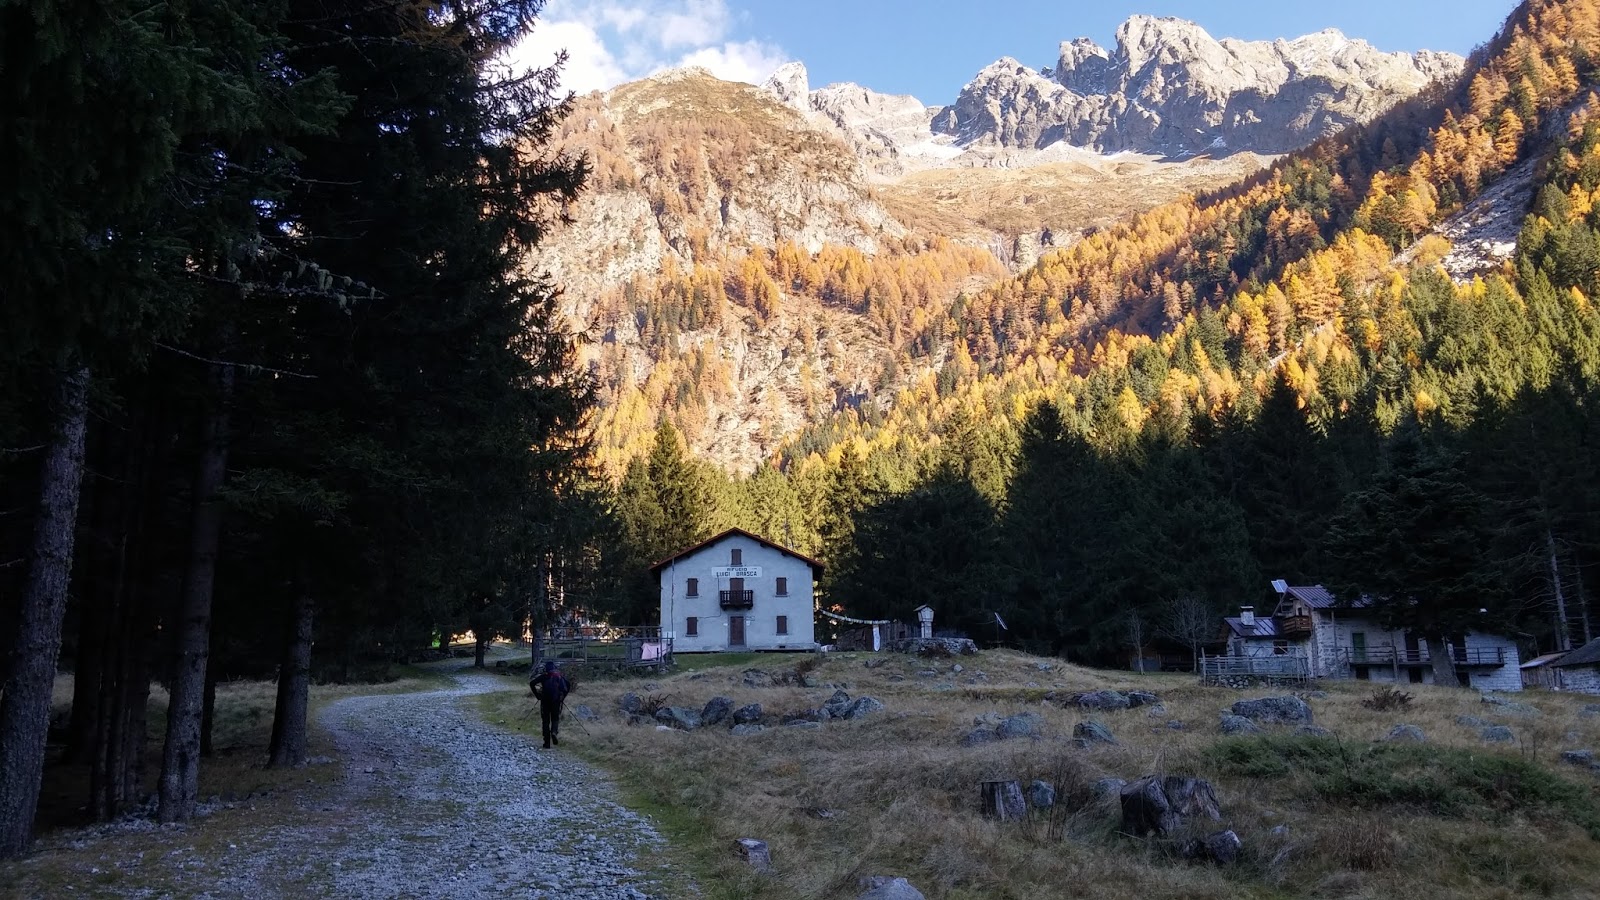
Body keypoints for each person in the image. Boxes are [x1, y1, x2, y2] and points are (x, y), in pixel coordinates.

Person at [529, 660, 569, 749]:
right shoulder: (559, 676)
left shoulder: (544, 676)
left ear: (546, 669)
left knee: (545, 721)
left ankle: (546, 743)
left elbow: (532, 683)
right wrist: (562, 698)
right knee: (555, 718)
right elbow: (567, 686)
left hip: (545, 700)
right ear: (554, 668)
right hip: (556, 701)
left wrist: (537, 695)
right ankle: (554, 732)